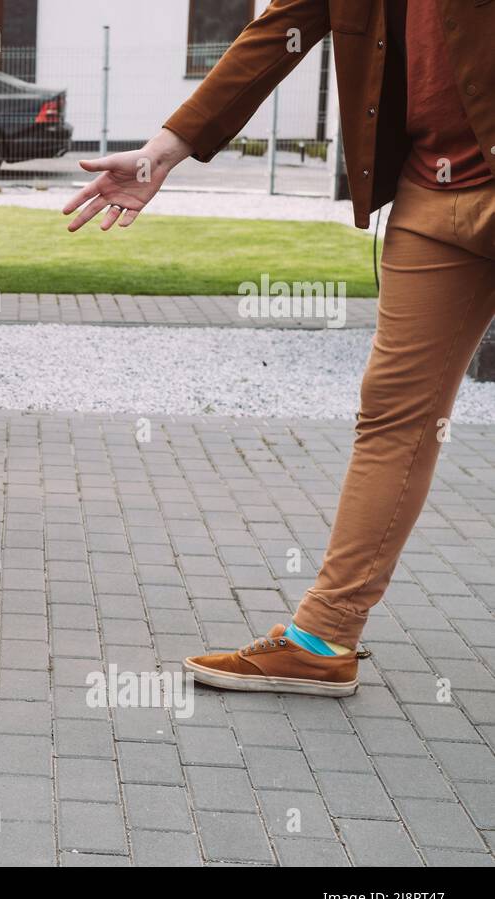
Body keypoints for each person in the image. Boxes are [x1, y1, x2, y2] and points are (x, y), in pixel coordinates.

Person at [64, 0, 494, 696]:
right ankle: (324, 638)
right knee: (392, 417)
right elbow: (273, 35)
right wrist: (161, 152)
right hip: (433, 195)